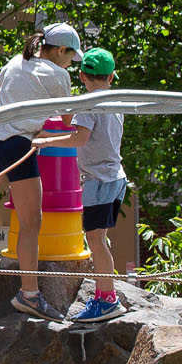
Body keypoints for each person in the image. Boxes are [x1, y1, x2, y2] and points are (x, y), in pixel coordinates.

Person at [0, 22, 81, 318]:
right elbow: (68, 119)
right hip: (18, 144)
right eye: (71, 56)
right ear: (60, 50)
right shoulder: (59, 74)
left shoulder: (16, 60)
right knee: (31, 222)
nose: (72, 62)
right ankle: (29, 294)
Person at [69, 46, 128, 322]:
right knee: (99, 240)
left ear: (81, 76)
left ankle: (107, 299)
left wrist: (44, 141)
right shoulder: (115, 101)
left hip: (99, 181)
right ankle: (105, 295)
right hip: (116, 177)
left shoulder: (88, 103)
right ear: (111, 76)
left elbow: (79, 139)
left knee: (96, 241)